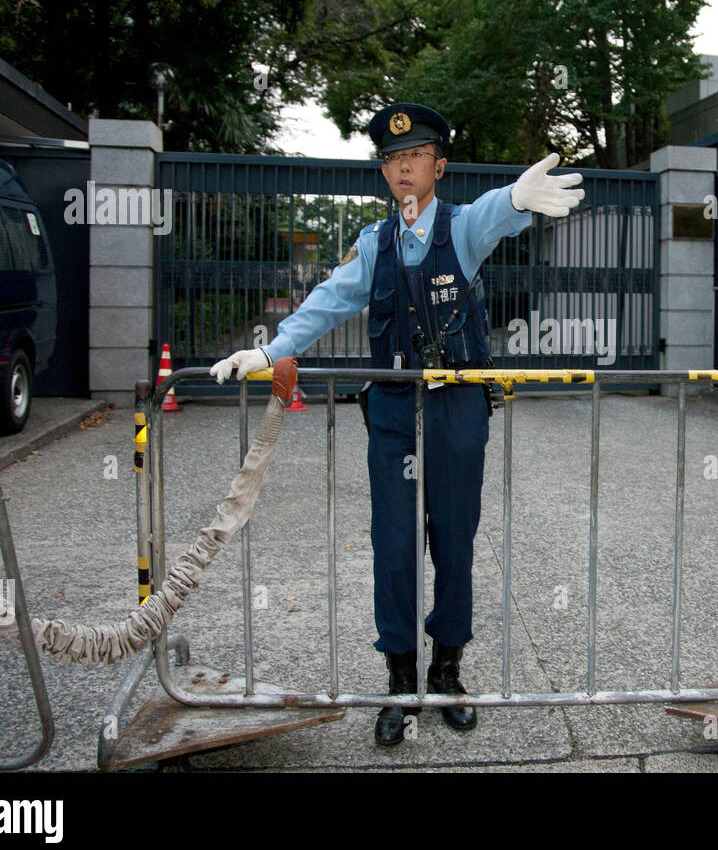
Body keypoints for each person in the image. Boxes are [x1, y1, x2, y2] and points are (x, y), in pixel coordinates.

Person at [210, 103, 583, 744]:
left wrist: (518, 198)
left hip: (455, 410)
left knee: (456, 543)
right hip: (392, 412)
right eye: (391, 159)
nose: (402, 168)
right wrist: (272, 349)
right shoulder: (374, 243)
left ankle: (446, 673)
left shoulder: (462, 229)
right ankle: (399, 680)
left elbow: (495, 212)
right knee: (393, 545)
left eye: (414, 157)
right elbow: (329, 300)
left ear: (438, 165)